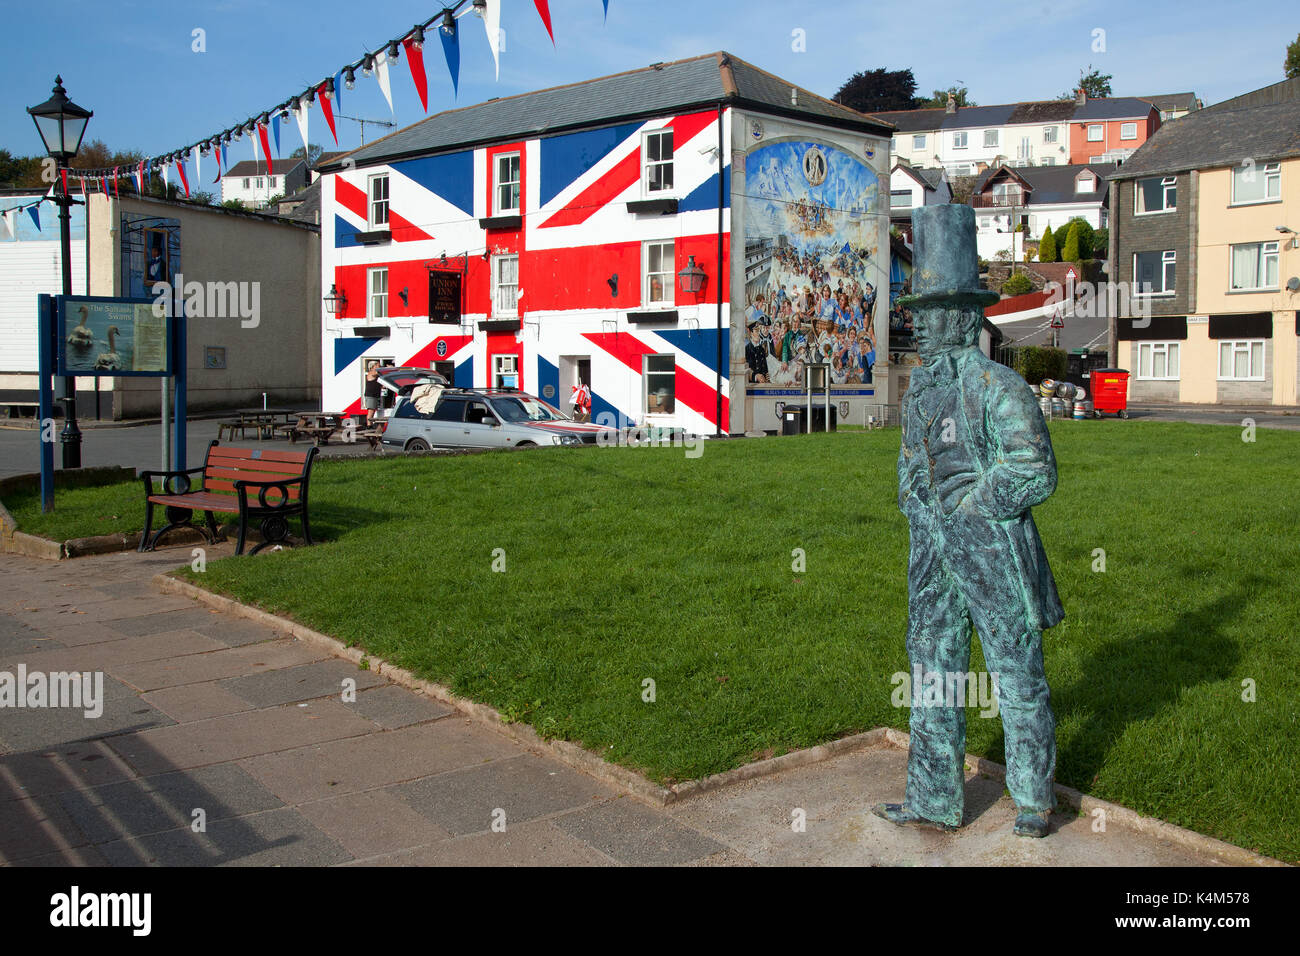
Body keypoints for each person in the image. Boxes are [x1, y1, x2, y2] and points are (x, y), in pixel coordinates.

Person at [874, 204, 1063, 840]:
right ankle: (931, 797)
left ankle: (1034, 799)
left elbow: (1034, 470)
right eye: (916, 314)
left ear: (958, 316)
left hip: (990, 554)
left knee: (1016, 673)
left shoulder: (1002, 387)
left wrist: (973, 505)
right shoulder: (919, 396)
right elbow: (907, 469)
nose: (918, 326)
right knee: (931, 671)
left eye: (928, 314)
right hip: (932, 556)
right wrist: (919, 506)